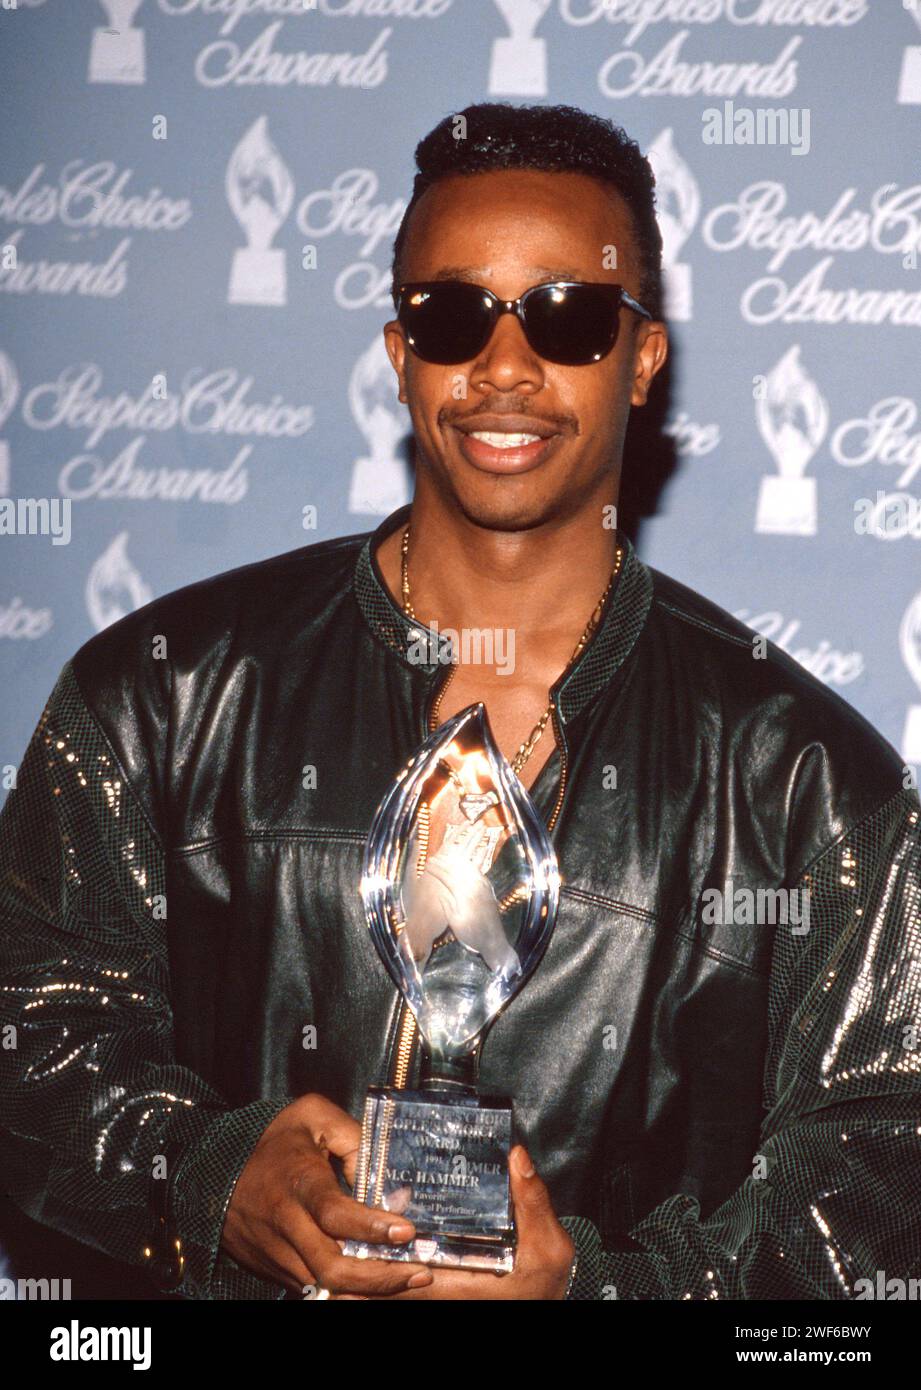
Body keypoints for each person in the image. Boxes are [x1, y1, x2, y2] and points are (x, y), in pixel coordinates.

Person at [1, 103, 919, 1302]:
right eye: (452, 314)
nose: (502, 367)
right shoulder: (165, 693)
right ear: (399, 353)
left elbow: (877, 1189)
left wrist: (596, 1291)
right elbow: (32, 1032)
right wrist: (204, 1167)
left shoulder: (805, 785)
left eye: (568, 317)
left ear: (642, 360)